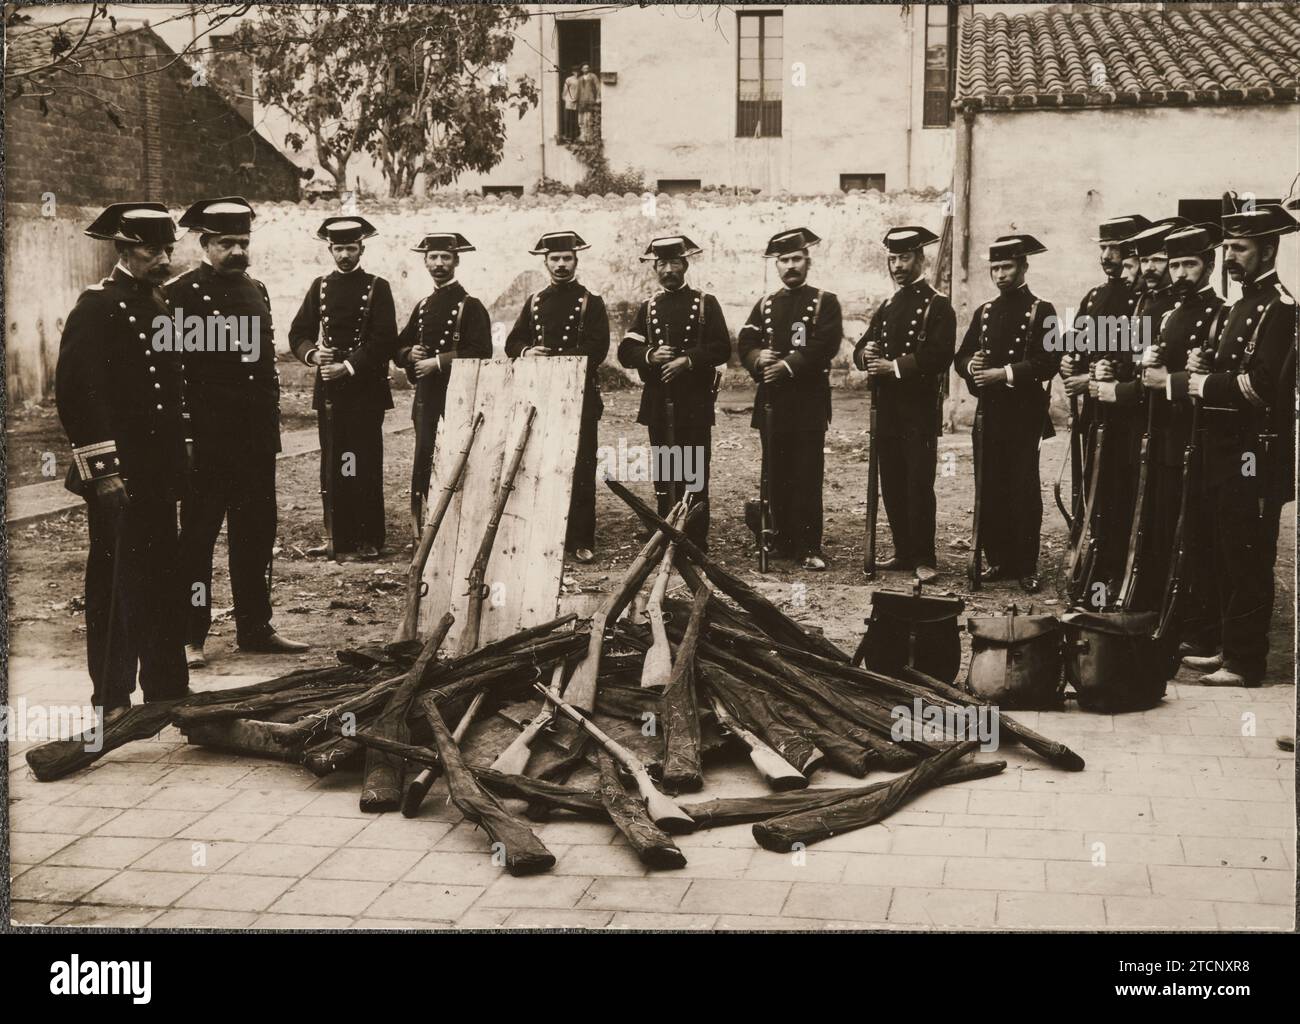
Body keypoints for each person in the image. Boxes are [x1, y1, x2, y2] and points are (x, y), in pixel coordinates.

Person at [56, 204, 192, 723]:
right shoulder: (96, 306)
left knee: (163, 573)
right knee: (114, 582)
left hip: (158, 469)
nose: (163, 259)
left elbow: (169, 386)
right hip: (119, 471)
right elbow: (78, 394)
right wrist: (103, 469)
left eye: (167, 250)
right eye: (151, 251)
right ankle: (111, 698)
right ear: (124, 250)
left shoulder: (158, 302)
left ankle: (166, 689)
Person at [169, 197, 308, 666]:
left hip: (253, 441)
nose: (236, 251)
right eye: (226, 243)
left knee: (256, 534)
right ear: (204, 243)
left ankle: (256, 626)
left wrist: (271, 430)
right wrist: (185, 434)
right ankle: (190, 635)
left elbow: (264, 369)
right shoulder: (180, 293)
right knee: (198, 539)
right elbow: (175, 372)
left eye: (243, 242)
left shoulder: (258, 289)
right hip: (207, 443)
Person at [1179, 203, 1297, 687]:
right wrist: (1202, 360)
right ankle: (1226, 646)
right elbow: (1230, 367)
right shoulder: (1239, 306)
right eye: (1227, 247)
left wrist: (1205, 384)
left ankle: (1245, 662)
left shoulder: (1282, 308)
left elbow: (1262, 386)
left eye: (1240, 248)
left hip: (1256, 452)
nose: (1231, 256)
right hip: (1225, 448)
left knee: (1248, 555)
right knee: (1223, 547)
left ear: (1268, 249)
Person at [1137, 223, 1228, 640]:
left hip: (1202, 440)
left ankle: (1199, 624)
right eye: (1174, 265)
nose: (1179, 274)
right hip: (1165, 438)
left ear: (1208, 266)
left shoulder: (1223, 314)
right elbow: (1151, 379)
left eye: (1189, 264)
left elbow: (1222, 383)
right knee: (1161, 524)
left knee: (1197, 533)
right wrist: (1148, 362)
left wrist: (1168, 379)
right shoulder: (1170, 315)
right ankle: (1165, 613)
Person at [1089, 217, 1187, 603]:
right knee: (1122, 503)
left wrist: (1119, 392)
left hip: (1160, 423)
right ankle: (1119, 583)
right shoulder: (1143, 301)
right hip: (1129, 422)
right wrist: (1105, 367)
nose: (1150, 268)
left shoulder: (1175, 307)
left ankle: (1149, 593)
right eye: (1144, 260)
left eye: (1160, 260)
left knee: (1157, 514)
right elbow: (1126, 354)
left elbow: (1161, 377)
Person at [289, 216, 398, 561]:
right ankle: (337, 536)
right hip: (331, 394)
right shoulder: (320, 286)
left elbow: (384, 339)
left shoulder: (378, 287)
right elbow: (298, 333)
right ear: (330, 250)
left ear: (361, 248)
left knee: (362, 460)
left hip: (364, 390)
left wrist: (347, 367)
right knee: (335, 461)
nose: (345, 255)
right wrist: (313, 354)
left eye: (351, 248)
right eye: (339, 249)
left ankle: (369, 539)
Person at [955, 234, 1059, 593]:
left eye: (1007, 267)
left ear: (1023, 267)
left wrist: (1004, 373)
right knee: (990, 488)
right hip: (989, 415)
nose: (1000, 274)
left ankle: (1026, 565)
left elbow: (1048, 362)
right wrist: (973, 366)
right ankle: (998, 559)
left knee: (1023, 489)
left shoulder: (1041, 310)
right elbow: (961, 356)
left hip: (1024, 416)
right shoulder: (985, 311)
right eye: (995, 268)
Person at [852, 225, 956, 581]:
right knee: (892, 481)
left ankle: (925, 557)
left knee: (918, 483)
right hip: (888, 411)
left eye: (904, 257)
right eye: (893, 258)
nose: (897, 265)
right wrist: (866, 354)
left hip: (919, 411)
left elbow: (939, 354)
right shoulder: (888, 306)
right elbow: (860, 350)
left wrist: (894, 367)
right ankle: (902, 551)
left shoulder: (938, 305)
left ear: (920, 258)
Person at [738, 227, 844, 571]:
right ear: (776, 266)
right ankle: (779, 538)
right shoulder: (766, 304)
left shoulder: (824, 301)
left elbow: (825, 344)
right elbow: (745, 341)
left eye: (796, 258)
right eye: (784, 260)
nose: (790, 266)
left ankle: (809, 546)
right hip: (772, 402)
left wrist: (786, 365)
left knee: (807, 474)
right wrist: (758, 358)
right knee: (775, 472)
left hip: (808, 402)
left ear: (807, 261)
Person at [618, 235, 731, 548]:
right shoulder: (649, 307)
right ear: (655, 268)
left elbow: (721, 347)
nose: (668, 270)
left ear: (685, 265)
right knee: (666, 465)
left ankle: (694, 536)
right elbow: (626, 350)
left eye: (674, 263)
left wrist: (687, 360)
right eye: (662, 264)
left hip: (694, 400)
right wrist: (650, 355)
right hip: (659, 401)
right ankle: (666, 528)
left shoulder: (706, 303)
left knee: (693, 466)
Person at [505, 231, 611, 563]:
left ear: (576, 261)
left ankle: (581, 538)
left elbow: (598, 348)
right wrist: (527, 351)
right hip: (541, 398)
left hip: (579, 398)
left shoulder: (591, 302)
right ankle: (546, 535)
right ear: (545, 263)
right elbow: (512, 343)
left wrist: (559, 362)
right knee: (542, 464)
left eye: (567, 259)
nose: (561, 265)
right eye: (555, 259)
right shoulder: (535, 301)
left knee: (580, 466)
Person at [395, 232, 492, 540]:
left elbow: (481, 350)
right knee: (425, 453)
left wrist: (437, 362)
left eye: (445, 257)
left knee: (459, 454)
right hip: (427, 396)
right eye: (433, 258)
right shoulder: (423, 307)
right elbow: (397, 348)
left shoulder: (470, 306)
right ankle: (425, 524)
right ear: (425, 262)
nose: (439, 264)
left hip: (460, 394)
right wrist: (410, 354)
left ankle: (461, 523)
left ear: (456, 261)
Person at [1059, 214, 1146, 526]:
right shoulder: (1094, 296)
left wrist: (1089, 379)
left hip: (1131, 412)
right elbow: (1074, 346)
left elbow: (1137, 358)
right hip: (1095, 413)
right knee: (1095, 486)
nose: (1107, 256)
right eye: (1104, 248)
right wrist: (1067, 364)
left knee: (1126, 490)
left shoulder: (1143, 298)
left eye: (1115, 249)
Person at [577, 63, 601, 140]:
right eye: (584, 68)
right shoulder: (580, 79)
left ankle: (590, 137)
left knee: (589, 119)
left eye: (587, 68)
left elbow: (598, 87)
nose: (586, 69)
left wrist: (598, 97)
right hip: (582, 101)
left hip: (590, 100)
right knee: (581, 120)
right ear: (581, 69)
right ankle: (583, 137)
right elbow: (578, 90)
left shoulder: (593, 77)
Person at [562, 67, 580, 141]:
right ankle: (567, 135)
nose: (577, 73)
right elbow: (565, 90)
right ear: (573, 72)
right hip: (569, 100)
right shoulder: (569, 79)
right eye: (575, 71)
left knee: (575, 119)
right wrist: (565, 98)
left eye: (578, 71)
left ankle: (574, 136)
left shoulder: (580, 79)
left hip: (576, 101)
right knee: (568, 119)